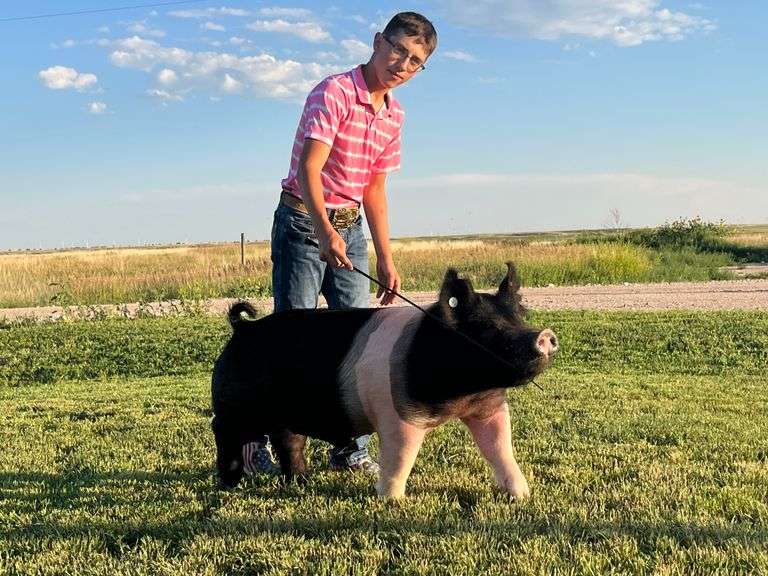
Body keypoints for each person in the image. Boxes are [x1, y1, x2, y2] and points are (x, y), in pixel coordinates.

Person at [243, 11, 438, 476]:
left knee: (359, 342)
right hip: (302, 222)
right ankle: (257, 445)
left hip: (349, 229)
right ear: (377, 41)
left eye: (415, 62)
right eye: (397, 50)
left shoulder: (394, 114)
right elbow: (310, 169)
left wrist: (387, 259)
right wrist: (323, 230)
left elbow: (374, 189)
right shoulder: (334, 92)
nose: (402, 65)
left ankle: (349, 452)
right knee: (294, 339)